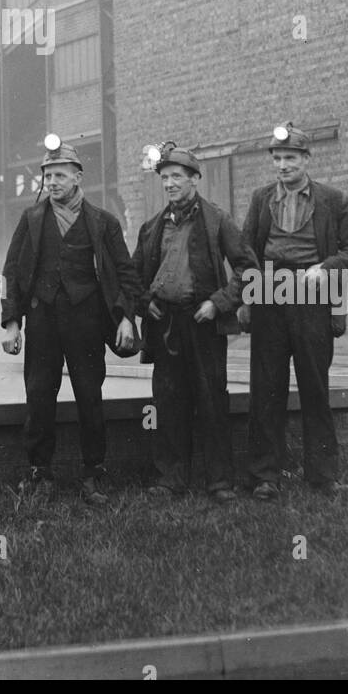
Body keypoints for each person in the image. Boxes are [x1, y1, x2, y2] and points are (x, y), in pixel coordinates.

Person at [0, 137, 141, 505]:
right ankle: (40, 473)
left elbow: (126, 274)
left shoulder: (103, 223)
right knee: (39, 395)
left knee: (89, 397)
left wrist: (126, 318)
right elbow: (11, 272)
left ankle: (93, 475)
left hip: (87, 323)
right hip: (42, 321)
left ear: (78, 177)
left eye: (60, 175)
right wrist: (12, 323)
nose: (52, 183)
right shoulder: (30, 220)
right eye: (47, 176)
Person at [241, 123, 348, 500]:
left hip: (313, 292)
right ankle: (265, 475)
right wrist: (249, 300)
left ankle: (323, 475)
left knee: (315, 386)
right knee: (266, 388)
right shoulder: (261, 199)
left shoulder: (333, 199)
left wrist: (325, 269)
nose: (283, 165)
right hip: (269, 290)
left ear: (306, 159)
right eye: (277, 159)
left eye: (290, 158)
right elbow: (246, 251)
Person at [132, 141, 256, 504]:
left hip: (203, 324)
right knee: (168, 402)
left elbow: (249, 270)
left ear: (194, 180)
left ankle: (219, 482)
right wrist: (145, 303)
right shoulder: (152, 227)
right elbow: (133, 275)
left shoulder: (217, 220)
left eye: (176, 177)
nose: (169, 184)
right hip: (165, 324)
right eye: (165, 178)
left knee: (212, 401)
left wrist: (218, 304)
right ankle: (171, 480)